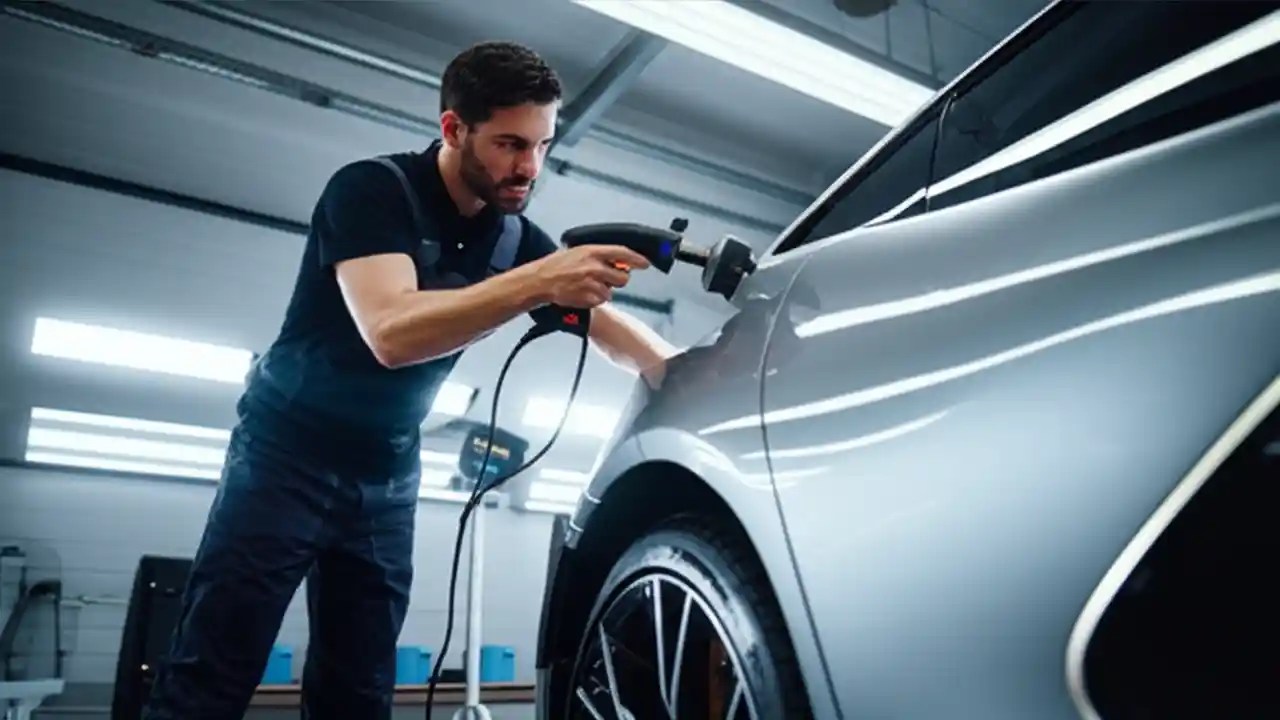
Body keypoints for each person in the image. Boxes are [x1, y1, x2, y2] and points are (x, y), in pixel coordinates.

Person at [143, 40, 675, 719]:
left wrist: (691, 369)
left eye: (542, 145)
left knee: (360, 689)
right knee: (214, 668)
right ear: (454, 128)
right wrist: (539, 281)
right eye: (510, 144)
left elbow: (623, 339)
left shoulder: (515, 243)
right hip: (284, 455)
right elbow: (391, 333)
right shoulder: (371, 190)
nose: (529, 168)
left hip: (388, 472)